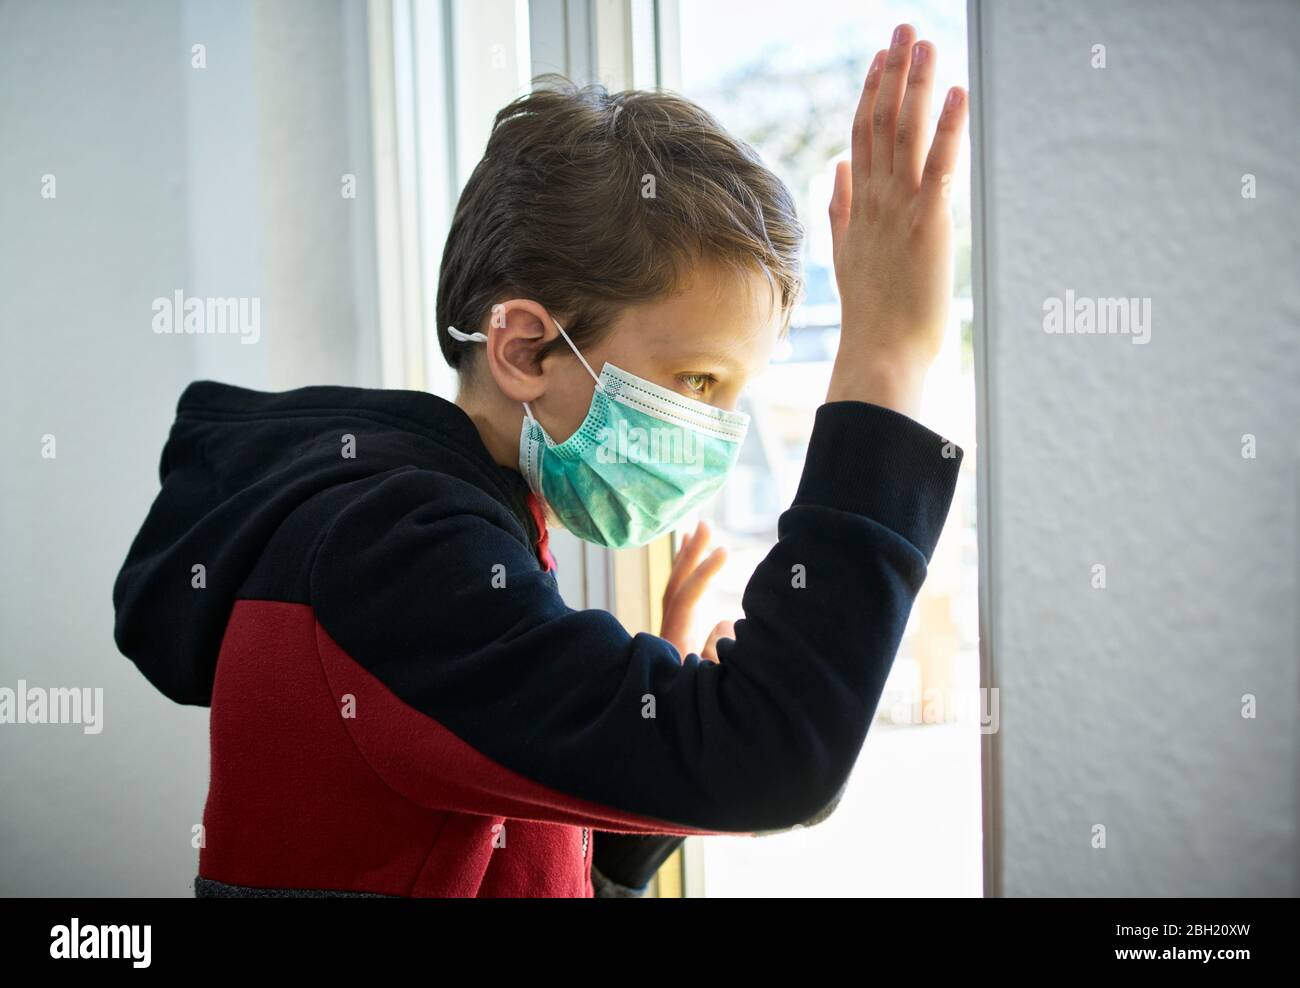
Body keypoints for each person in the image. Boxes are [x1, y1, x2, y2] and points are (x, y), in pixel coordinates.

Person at [113, 22, 969, 897]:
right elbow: (775, 756)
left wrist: (625, 745)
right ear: (524, 348)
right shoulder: (394, 550)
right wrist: (886, 357)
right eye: (696, 378)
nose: (718, 429)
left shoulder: (455, 527)